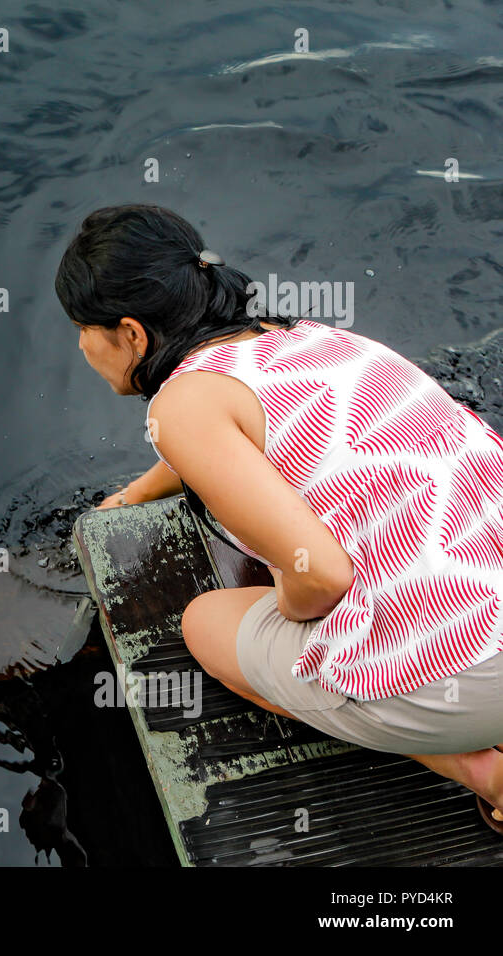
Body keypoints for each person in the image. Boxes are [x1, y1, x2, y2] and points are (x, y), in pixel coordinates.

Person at [56, 203, 503, 834]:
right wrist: (136, 494)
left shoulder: (181, 405)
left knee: (206, 625)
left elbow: (323, 575)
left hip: (473, 675)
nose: (79, 345)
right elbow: (239, 434)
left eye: (82, 328)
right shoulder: (303, 337)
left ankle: (486, 775)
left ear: (130, 334)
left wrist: (293, 605)